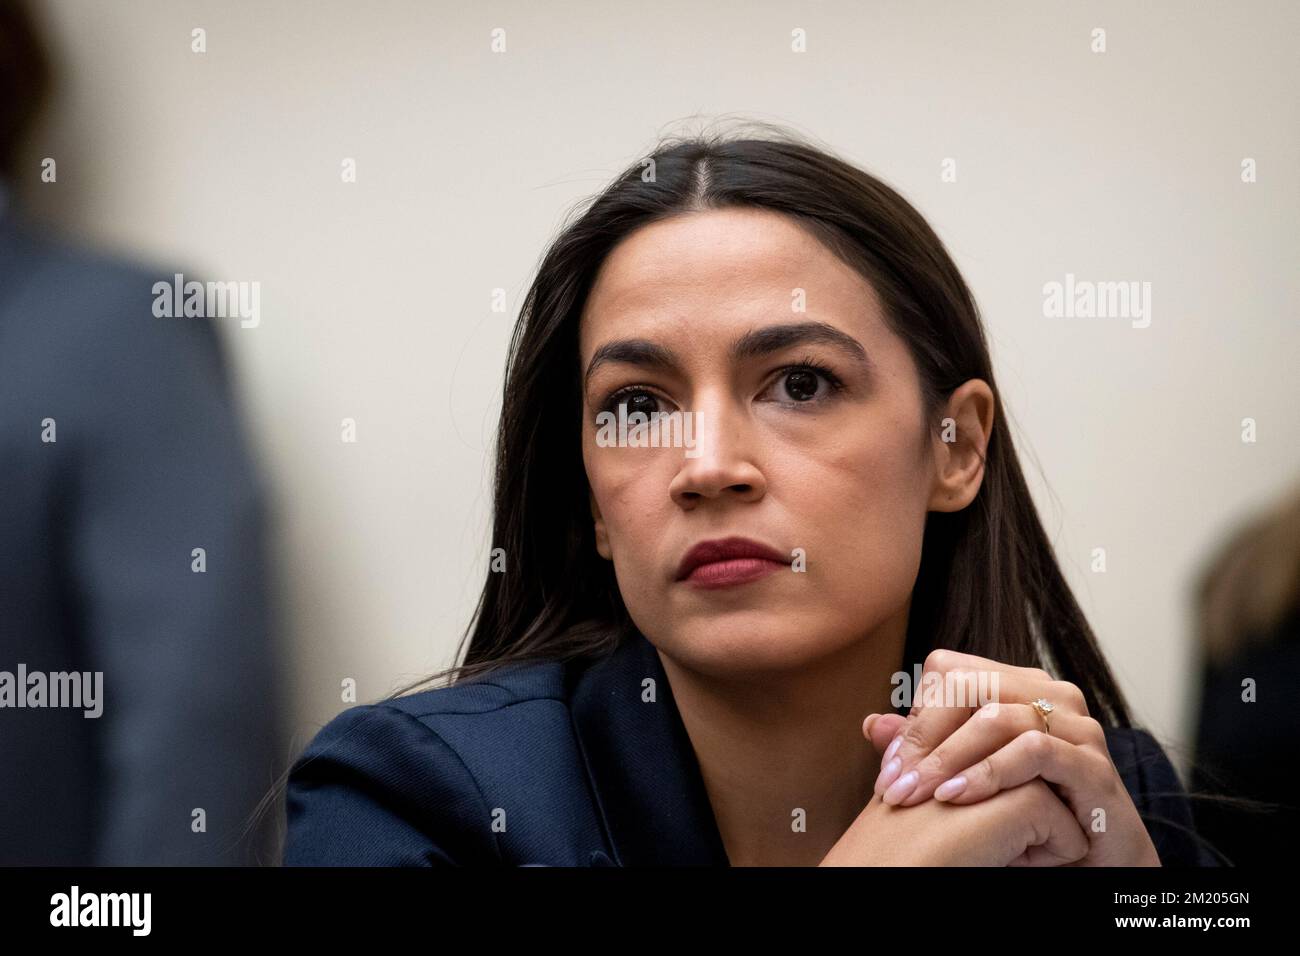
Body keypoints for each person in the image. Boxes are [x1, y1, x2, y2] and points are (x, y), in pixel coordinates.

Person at [280, 123, 1221, 866]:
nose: (707, 466)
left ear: (956, 448)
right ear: (596, 510)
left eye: (800, 384)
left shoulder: (1091, 788)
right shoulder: (409, 799)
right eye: (638, 405)